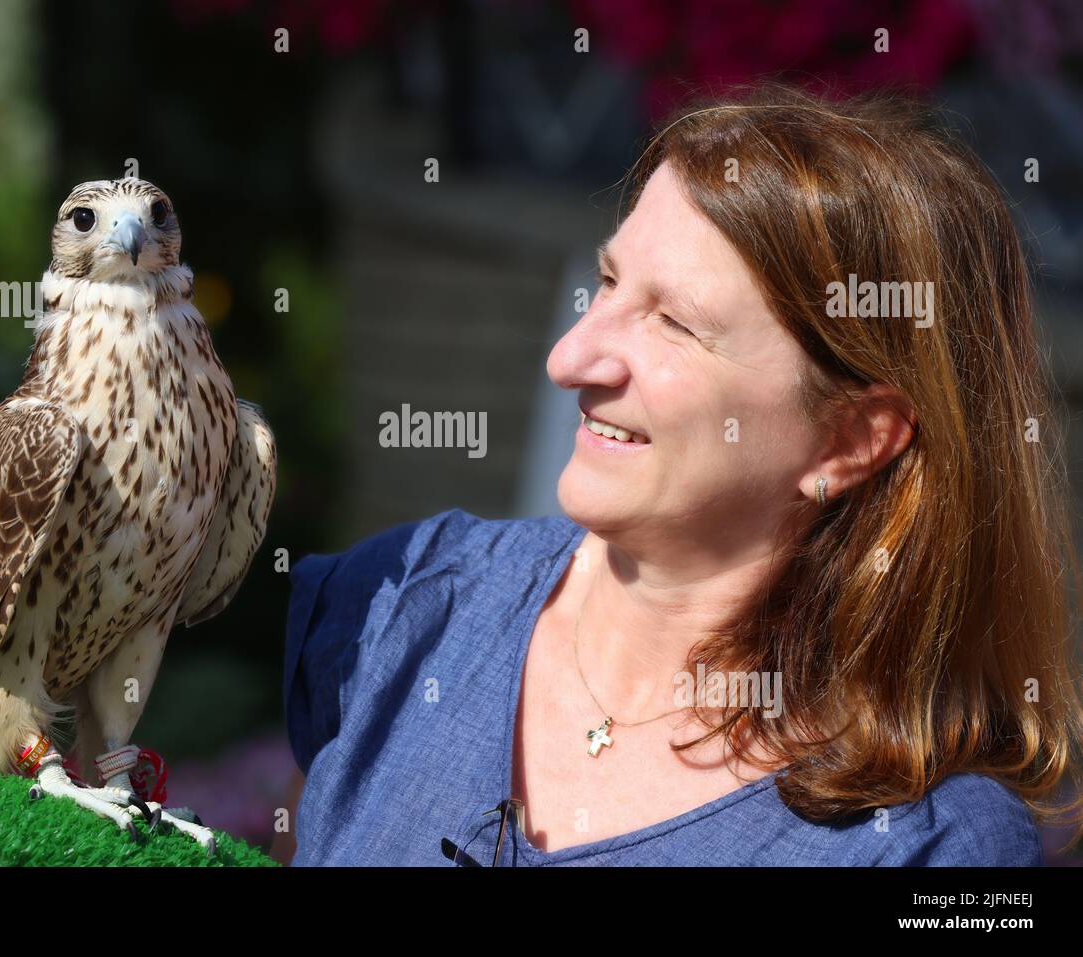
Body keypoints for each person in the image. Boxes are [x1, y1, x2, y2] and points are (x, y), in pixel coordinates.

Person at [272, 85, 1083, 866]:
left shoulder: (923, 846)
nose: (571, 357)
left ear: (850, 441)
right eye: (612, 281)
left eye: (676, 323)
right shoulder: (409, 602)